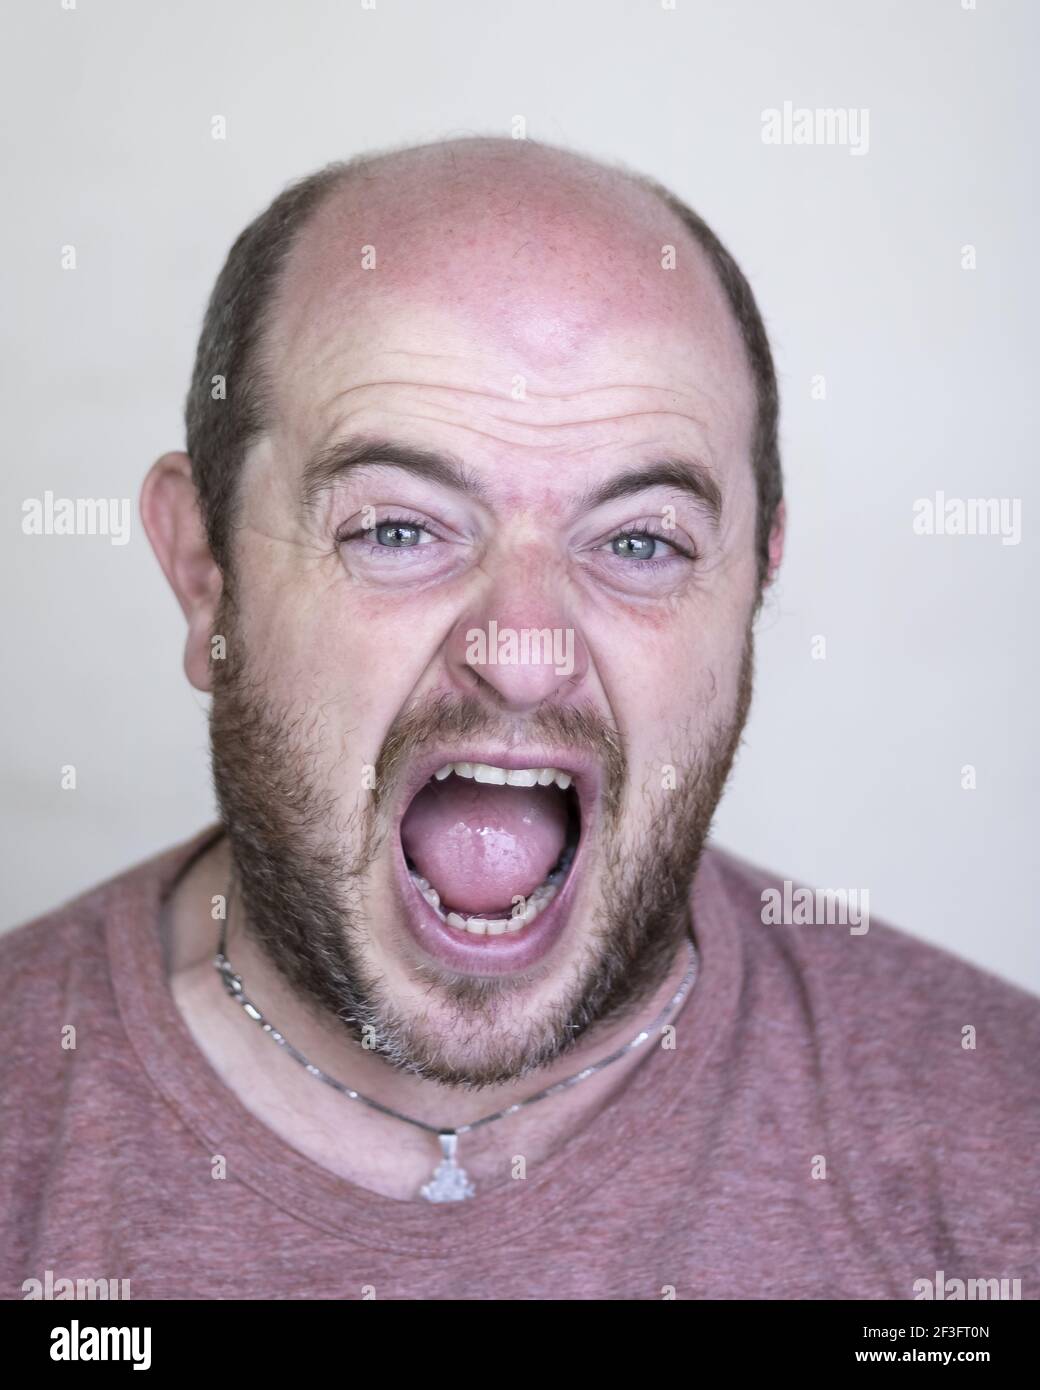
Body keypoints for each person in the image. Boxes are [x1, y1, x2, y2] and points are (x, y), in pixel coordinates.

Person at [3, 137, 1037, 1301]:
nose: (522, 656)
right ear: (203, 575)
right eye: (396, 528)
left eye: (640, 541)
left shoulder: (1002, 1154)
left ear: (753, 583)